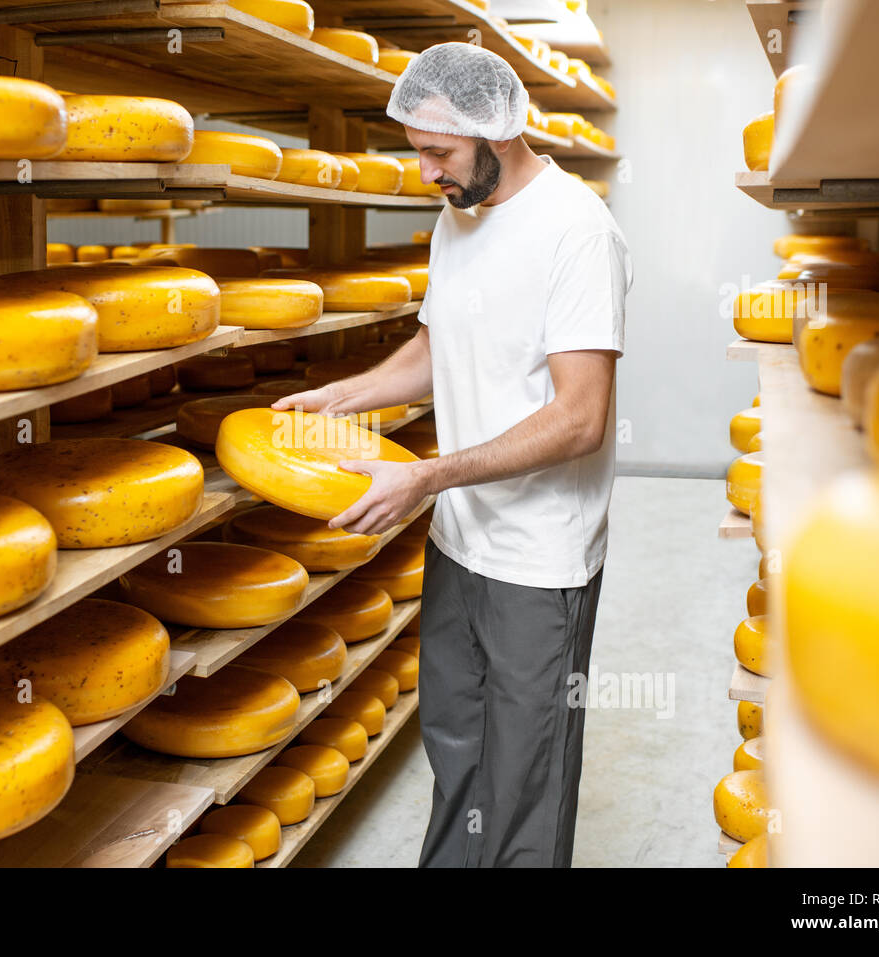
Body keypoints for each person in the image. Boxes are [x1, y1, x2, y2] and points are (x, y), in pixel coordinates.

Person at [273, 41, 632, 867]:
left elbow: (579, 419)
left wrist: (428, 475)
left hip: (540, 562)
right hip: (459, 539)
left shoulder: (578, 232)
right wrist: (343, 396)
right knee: (457, 753)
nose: (427, 171)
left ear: (496, 131)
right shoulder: (456, 216)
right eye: (418, 151)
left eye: (438, 152)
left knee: (523, 788)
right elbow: (435, 349)